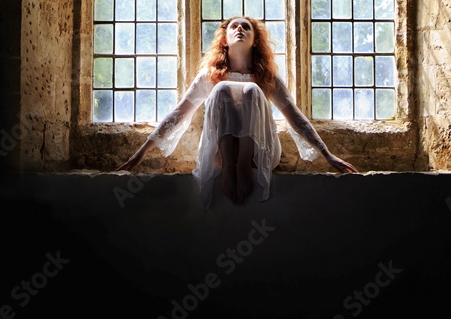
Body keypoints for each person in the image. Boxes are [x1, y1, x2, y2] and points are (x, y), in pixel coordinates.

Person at [117, 16, 359, 208]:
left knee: (252, 91)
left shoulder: (266, 77)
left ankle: (242, 166)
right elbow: (179, 113)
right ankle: (229, 167)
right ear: (225, 39)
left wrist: (327, 155)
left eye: (246, 27)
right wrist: (142, 152)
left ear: (255, 40)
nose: (240, 29)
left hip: (258, 154)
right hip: (221, 155)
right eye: (234, 26)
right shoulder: (211, 76)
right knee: (221, 88)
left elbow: (295, 117)